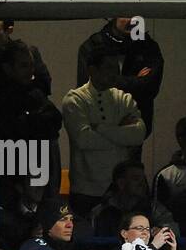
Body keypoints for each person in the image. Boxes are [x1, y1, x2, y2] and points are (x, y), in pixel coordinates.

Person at [62, 48, 147, 214]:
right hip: (86, 189)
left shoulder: (123, 98)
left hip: (121, 189)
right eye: (109, 68)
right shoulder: (75, 99)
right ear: (92, 70)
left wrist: (100, 128)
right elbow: (84, 139)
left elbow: (138, 135)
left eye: (117, 68)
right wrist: (121, 131)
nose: (115, 73)